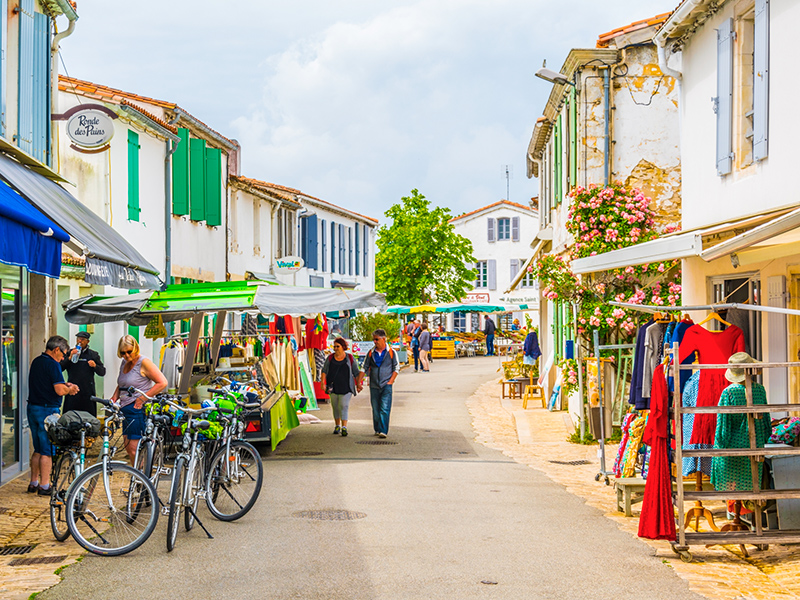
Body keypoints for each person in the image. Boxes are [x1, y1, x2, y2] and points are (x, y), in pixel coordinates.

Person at [27, 335, 78, 495]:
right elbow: (59, 390)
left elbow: (48, 384)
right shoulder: (53, 364)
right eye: (63, 354)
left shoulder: (36, 361)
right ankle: (44, 486)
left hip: (33, 408)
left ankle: (33, 482)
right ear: (56, 350)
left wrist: (64, 385)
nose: (63, 357)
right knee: (47, 450)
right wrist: (70, 389)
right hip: (47, 410)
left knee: (38, 448)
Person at [111, 335, 167, 462]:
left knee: (134, 448)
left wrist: (142, 399)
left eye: (129, 351)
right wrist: (115, 397)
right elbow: (122, 383)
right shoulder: (124, 362)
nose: (126, 355)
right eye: (123, 353)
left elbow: (162, 382)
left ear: (135, 348)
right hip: (125, 408)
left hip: (137, 409)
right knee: (127, 446)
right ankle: (137, 475)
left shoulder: (144, 362)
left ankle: (140, 477)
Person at [321, 337, 363, 437]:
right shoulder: (330, 358)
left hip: (346, 386)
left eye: (337, 346)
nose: (335, 348)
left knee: (344, 406)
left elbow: (356, 372)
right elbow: (324, 370)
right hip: (333, 387)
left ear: (343, 347)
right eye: (334, 346)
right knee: (335, 407)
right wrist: (323, 383)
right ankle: (337, 425)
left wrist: (358, 384)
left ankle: (344, 427)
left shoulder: (350, 358)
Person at [363, 329, 399, 438]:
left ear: (384, 339)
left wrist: (390, 382)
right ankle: (377, 428)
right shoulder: (371, 353)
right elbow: (365, 367)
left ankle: (383, 430)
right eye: (374, 339)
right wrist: (360, 381)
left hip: (386, 385)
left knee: (385, 408)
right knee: (375, 408)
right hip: (374, 385)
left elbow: (396, 368)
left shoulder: (391, 352)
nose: (375, 342)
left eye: (377, 339)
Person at [61, 331, 106, 416]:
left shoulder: (93, 355)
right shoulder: (69, 352)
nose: (80, 341)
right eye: (78, 339)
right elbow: (60, 368)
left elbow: (102, 372)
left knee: (89, 416)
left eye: (82, 339)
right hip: (72, 390)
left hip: (87, 391)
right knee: (70, 415)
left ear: (87, 341)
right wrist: (70, 357)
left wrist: (95, 366)